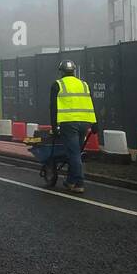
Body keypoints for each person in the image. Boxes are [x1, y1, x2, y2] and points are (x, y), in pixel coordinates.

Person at [50, 60, 96, 194]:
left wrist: (54, 127)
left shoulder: (58, 84)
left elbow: (53, 107)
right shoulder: (84, 84)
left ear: (62, 71)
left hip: (69, 123)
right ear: (73, 71)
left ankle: (79, 182)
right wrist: (95, 123)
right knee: (76, 152)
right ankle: (70, 181)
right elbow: (91, 103)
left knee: (74, 153)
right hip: (84, 122)